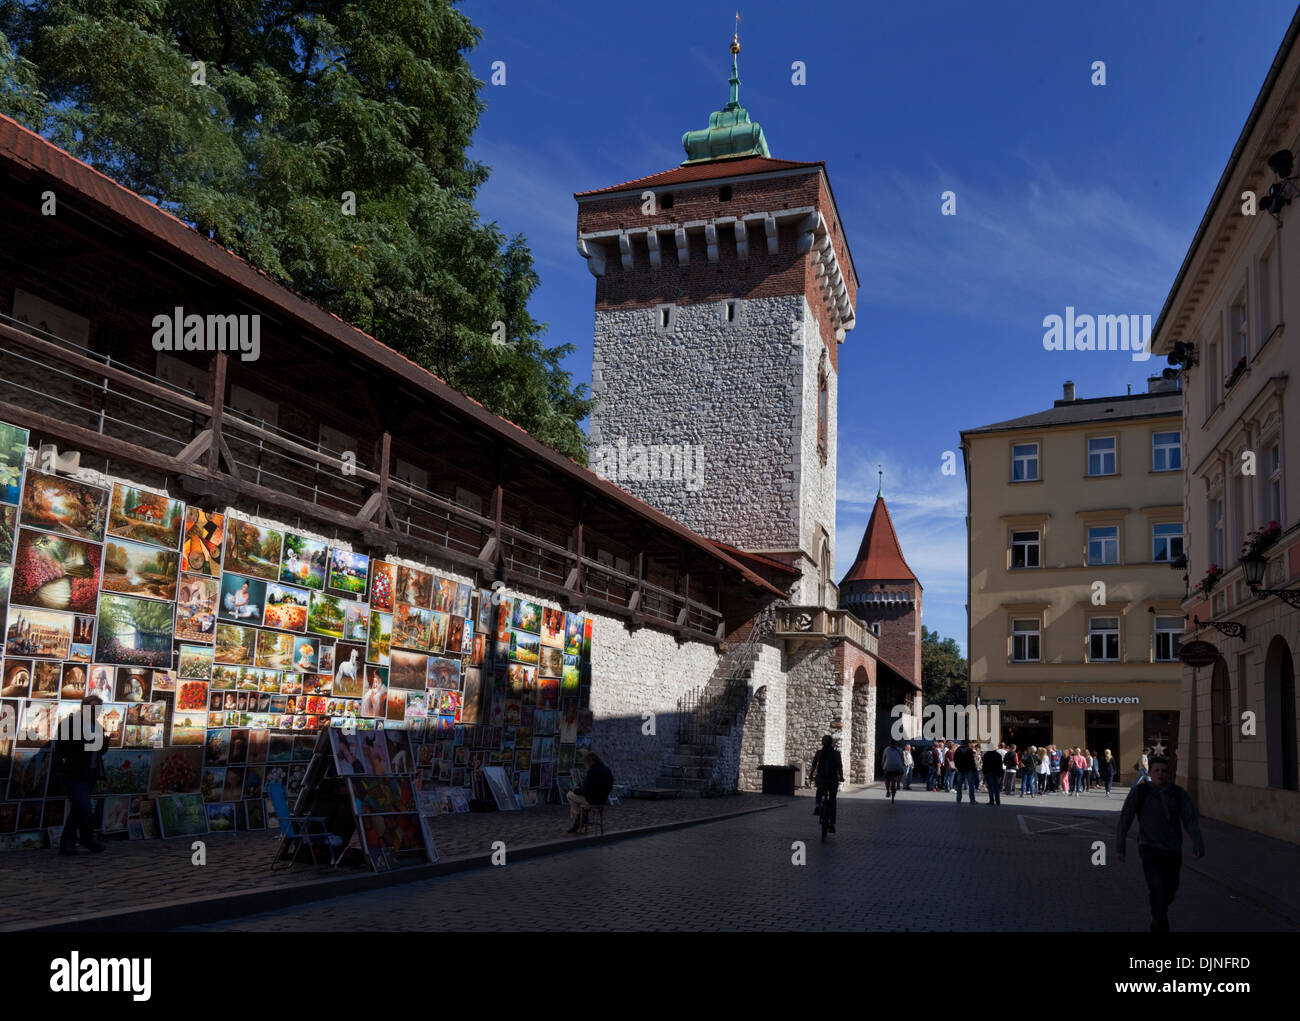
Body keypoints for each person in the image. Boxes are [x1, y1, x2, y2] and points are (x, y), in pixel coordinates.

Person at [1116, 756, 1205, 932]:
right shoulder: (1140, 792)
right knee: (1157, 887)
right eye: (1156, 770)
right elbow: (1125, 818)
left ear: (1169, 774)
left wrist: (1198, 843)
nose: (1160, 774)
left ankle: (1157, 912)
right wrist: (1120, 847)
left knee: (1170, 890)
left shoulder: (1178, 794)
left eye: (1164, 771)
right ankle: (1159, 926)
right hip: (1149, 848)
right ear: (1149, 773)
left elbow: (1190, 820)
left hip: (1172, 849)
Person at [53, 695, 106, 855]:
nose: (95, 711)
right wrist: (86, 744)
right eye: (92, 708)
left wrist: (103, 744)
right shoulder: (70, 723)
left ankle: (67, 844)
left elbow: (101, 751)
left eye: (98, 708)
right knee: (85, 808)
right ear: (84, 708)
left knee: (78, 809)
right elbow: (62, 747)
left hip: (90, 773)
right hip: (74, 773)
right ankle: (87, 838)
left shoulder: (97, 726)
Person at [566, 752, 614, 833]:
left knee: (569, 795)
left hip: (592, 799)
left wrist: (575, 790)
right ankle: (582, 817)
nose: (586, 765)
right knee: (583, 803)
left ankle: (579, 817)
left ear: (590, 761)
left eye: (586, 763)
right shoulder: (607, 769)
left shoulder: (592, 771)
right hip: (603, 799)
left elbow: (586, 790)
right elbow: (610, 784)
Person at [953, 739, 978, 804]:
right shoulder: (969, 750)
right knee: (971, 785)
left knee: (959, 785)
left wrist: (957, 766)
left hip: (960, 769)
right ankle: (972, 800)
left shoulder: (958, 750)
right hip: (969, 769)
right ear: (967, 744)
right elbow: (972, 761)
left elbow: (955, 759)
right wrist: (973, 768)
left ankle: (958, 799)